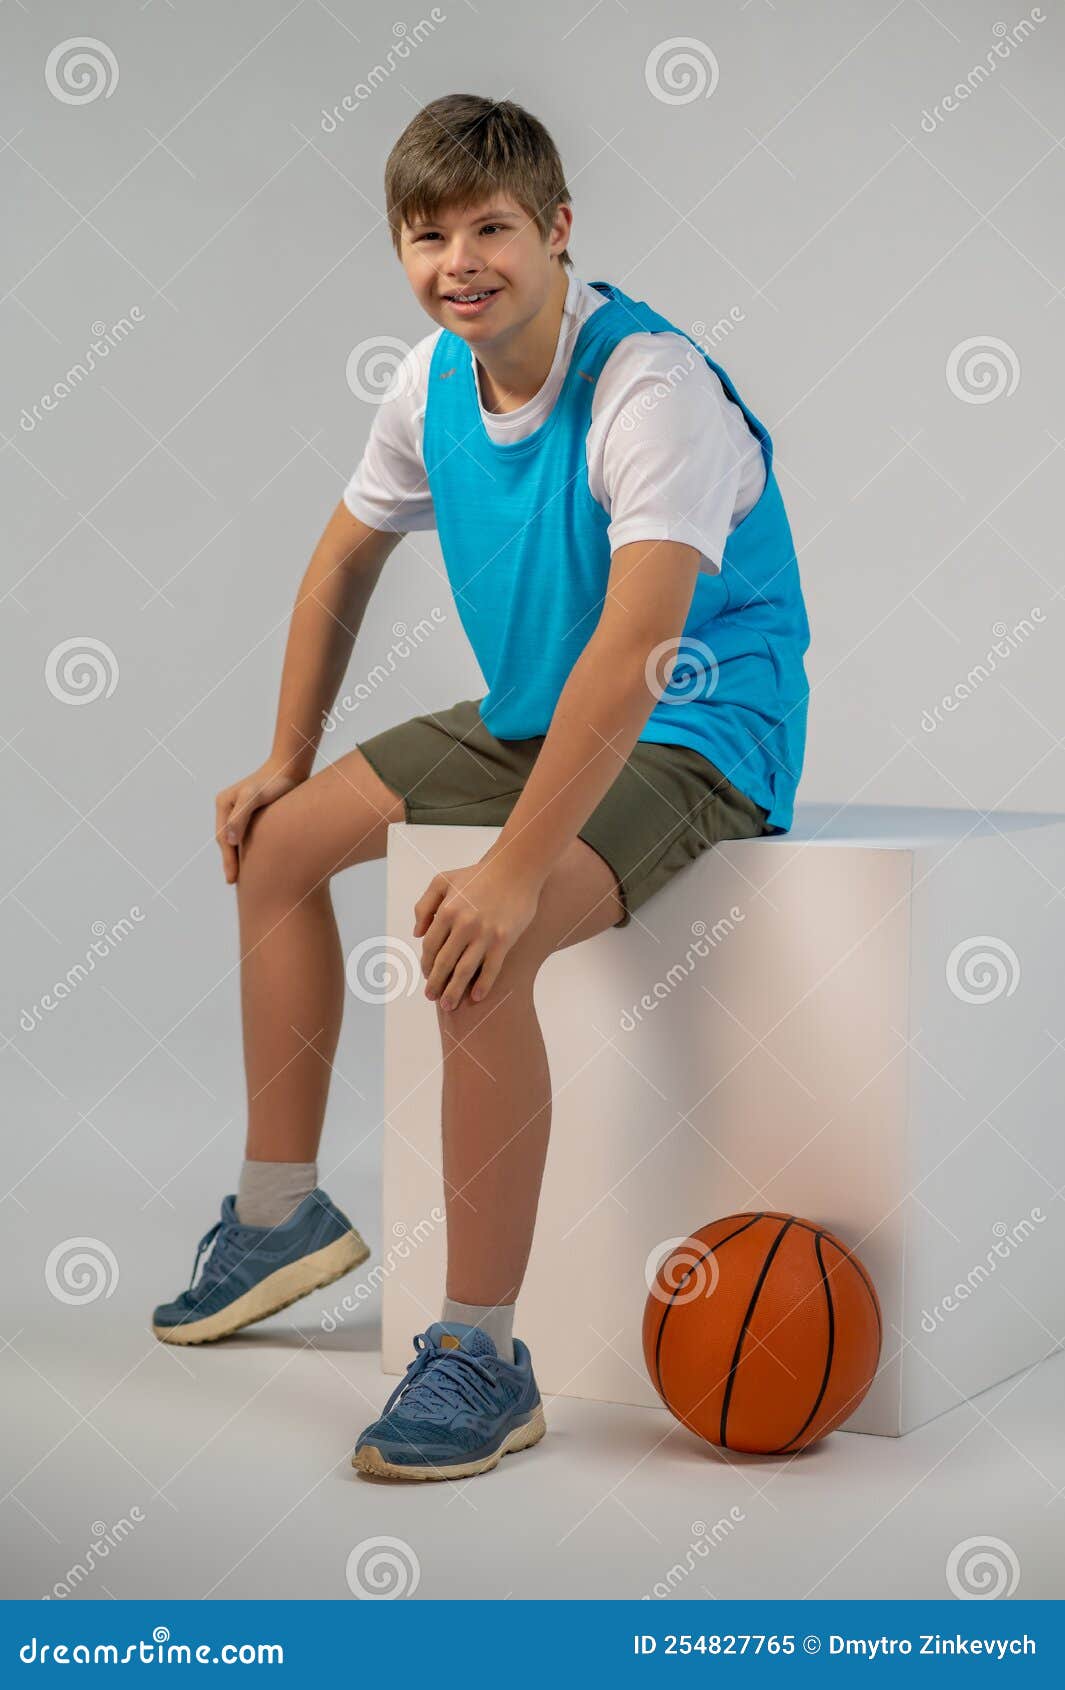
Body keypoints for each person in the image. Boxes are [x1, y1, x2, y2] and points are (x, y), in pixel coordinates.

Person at [151, 93, 810, 1483]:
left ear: (559, 229)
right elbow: (342, 564)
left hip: (698, 728)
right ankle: (279, 1214)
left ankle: (478, 1352)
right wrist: (287, 753)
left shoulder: (648, 385)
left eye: (492, 228)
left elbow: (636, 655)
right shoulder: (428, 379)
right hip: (538, 714)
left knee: (471, 940)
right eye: (428, 233)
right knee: (273, 844)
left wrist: (512, 868)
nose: (461, 260)